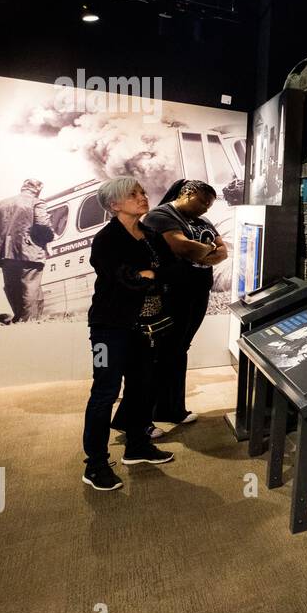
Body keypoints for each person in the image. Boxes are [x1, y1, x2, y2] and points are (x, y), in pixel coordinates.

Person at [81, 176, 176, 491]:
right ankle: (95, 464)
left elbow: (169, 273)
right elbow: (126, 280)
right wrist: (146, 276)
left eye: (142, 192)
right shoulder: (106, 240)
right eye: (132, 194)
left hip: (145, 327)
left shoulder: (150, 235)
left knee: (142, 386)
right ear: (114, 204)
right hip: (110, 327)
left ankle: (137, 446)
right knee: (105, 392)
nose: (142, 197)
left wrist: (149, 275)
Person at [114, 178, 227, 434]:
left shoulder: (201, 221)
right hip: (171, 295)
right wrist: (206, 249)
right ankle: (134, 421)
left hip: (195, 293)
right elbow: (184, 247)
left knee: (177, 350)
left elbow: (223, 251)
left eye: (209, 205)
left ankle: (170, 409)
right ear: (187, 193)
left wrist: (206, 250)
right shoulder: (161, 216)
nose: (206, 209)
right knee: (158, 355)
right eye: (202, 202)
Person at [0, 179, 55, 322]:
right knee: (30, 286)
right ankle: (30, 322)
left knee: (12, 287)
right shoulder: (36, 202)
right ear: (38, 189)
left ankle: (19, 319)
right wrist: (47, 244)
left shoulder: (1, 204)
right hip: (29, 252)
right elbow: (43, 225)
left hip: (5, 253)